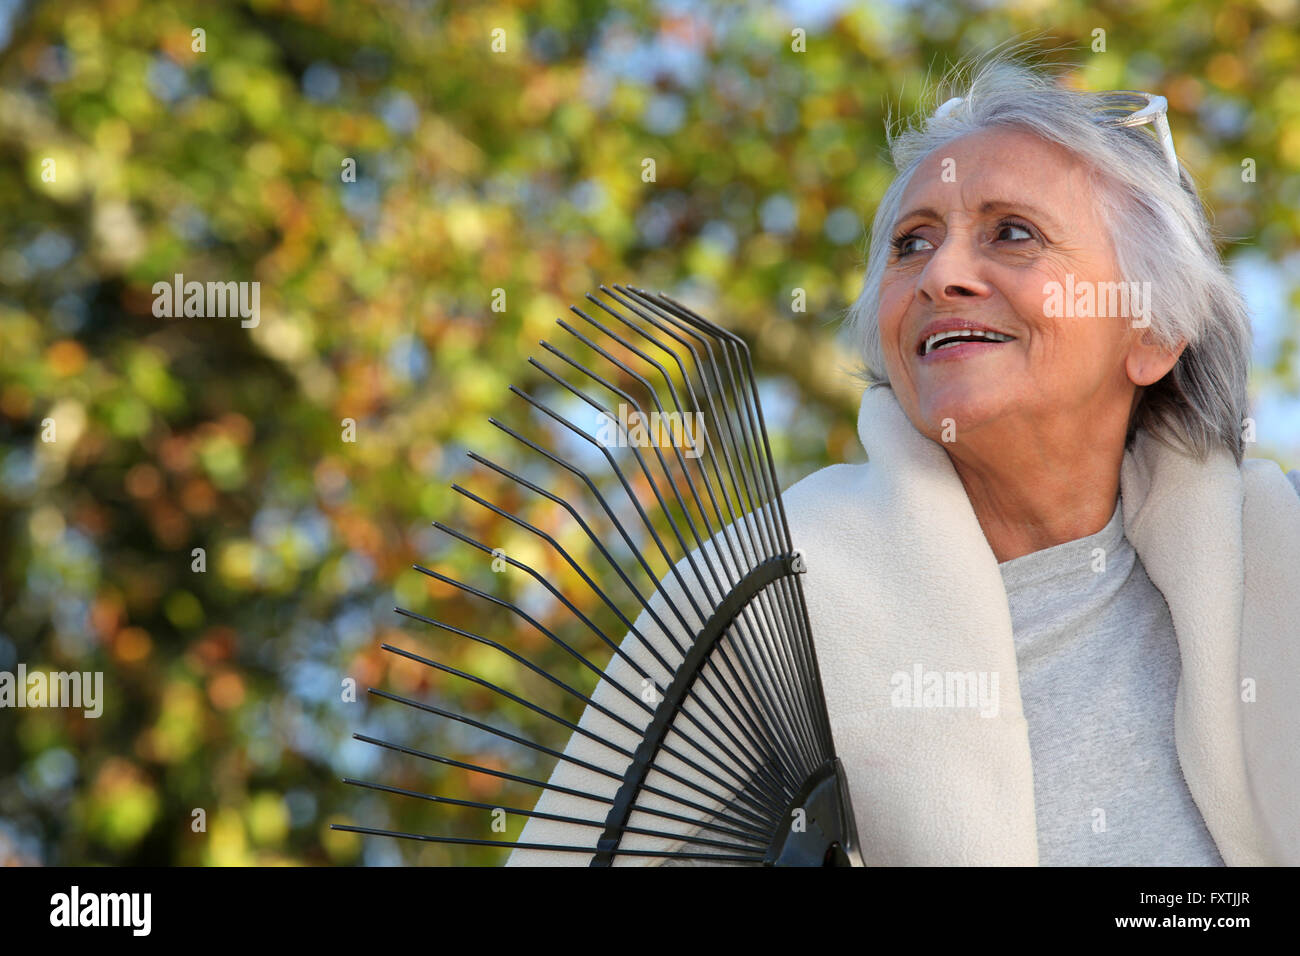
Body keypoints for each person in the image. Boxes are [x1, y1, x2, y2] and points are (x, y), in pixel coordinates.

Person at [506, 56, 1300, 866]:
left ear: (1153, 334)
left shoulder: (1277, 569)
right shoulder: (764, 601)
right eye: (911, 244)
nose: (942, 276)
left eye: (1012, 233)